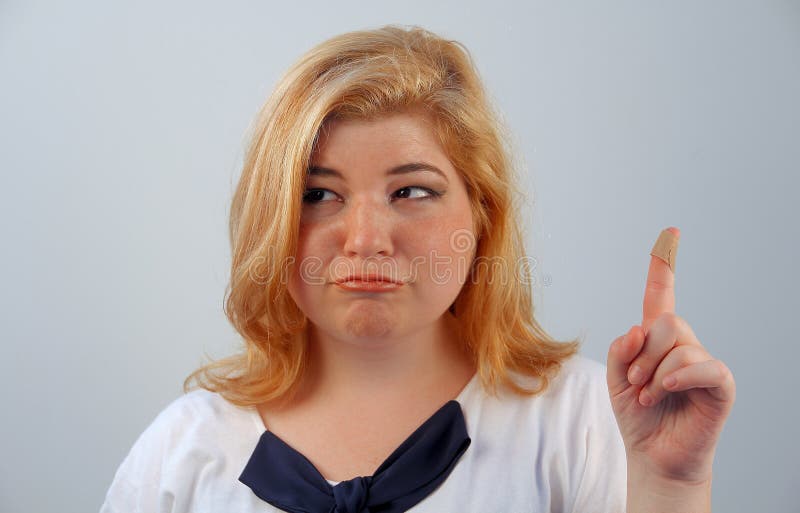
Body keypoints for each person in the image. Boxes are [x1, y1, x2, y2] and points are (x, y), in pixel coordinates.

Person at [99, 25, 735, 513]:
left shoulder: (588, 423)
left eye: (411, 191)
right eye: (316, 194)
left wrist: (670, 485)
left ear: (482, 212)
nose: (367, 239)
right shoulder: (177, 455)